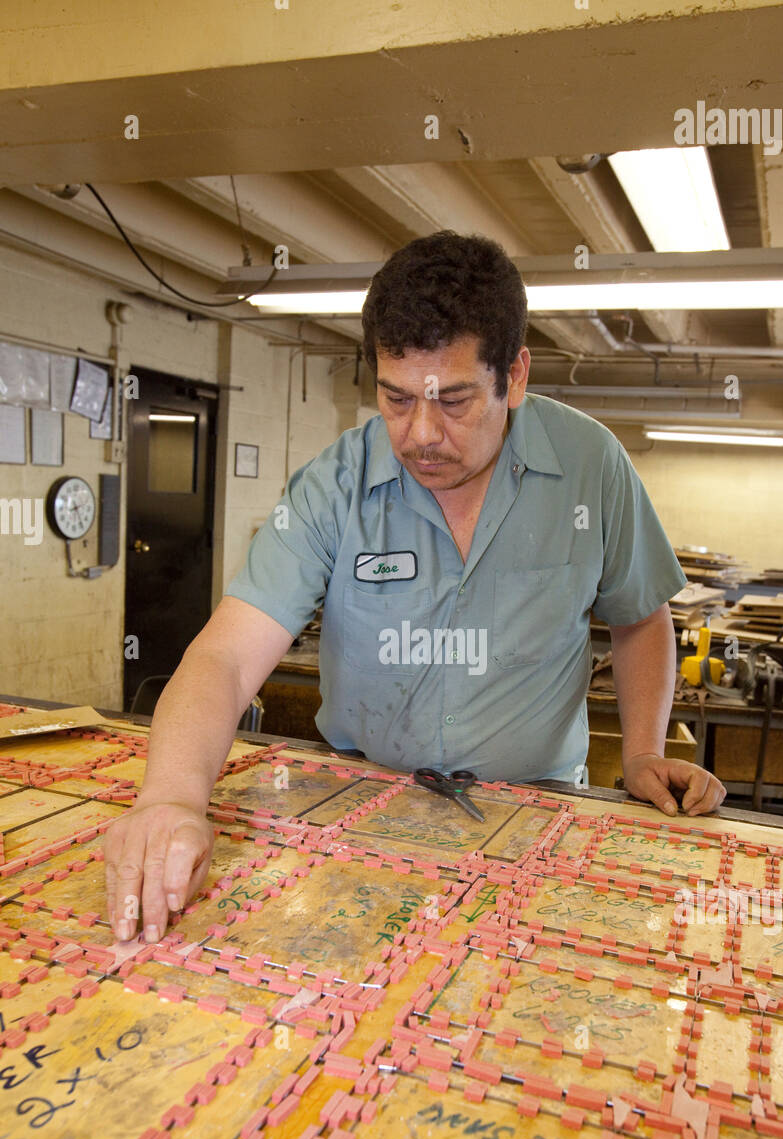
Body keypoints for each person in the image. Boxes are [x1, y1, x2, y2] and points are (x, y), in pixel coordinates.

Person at [104, 231, 725, 943]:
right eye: (396, 400)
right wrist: (171, 799)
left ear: (515, 375)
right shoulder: (334, 485)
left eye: (454, 401)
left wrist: (643, 753)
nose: (420, 435)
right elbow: (227, 658)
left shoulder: (592, 467)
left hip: (537, 810)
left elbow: (640, 616)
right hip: (357, 799)